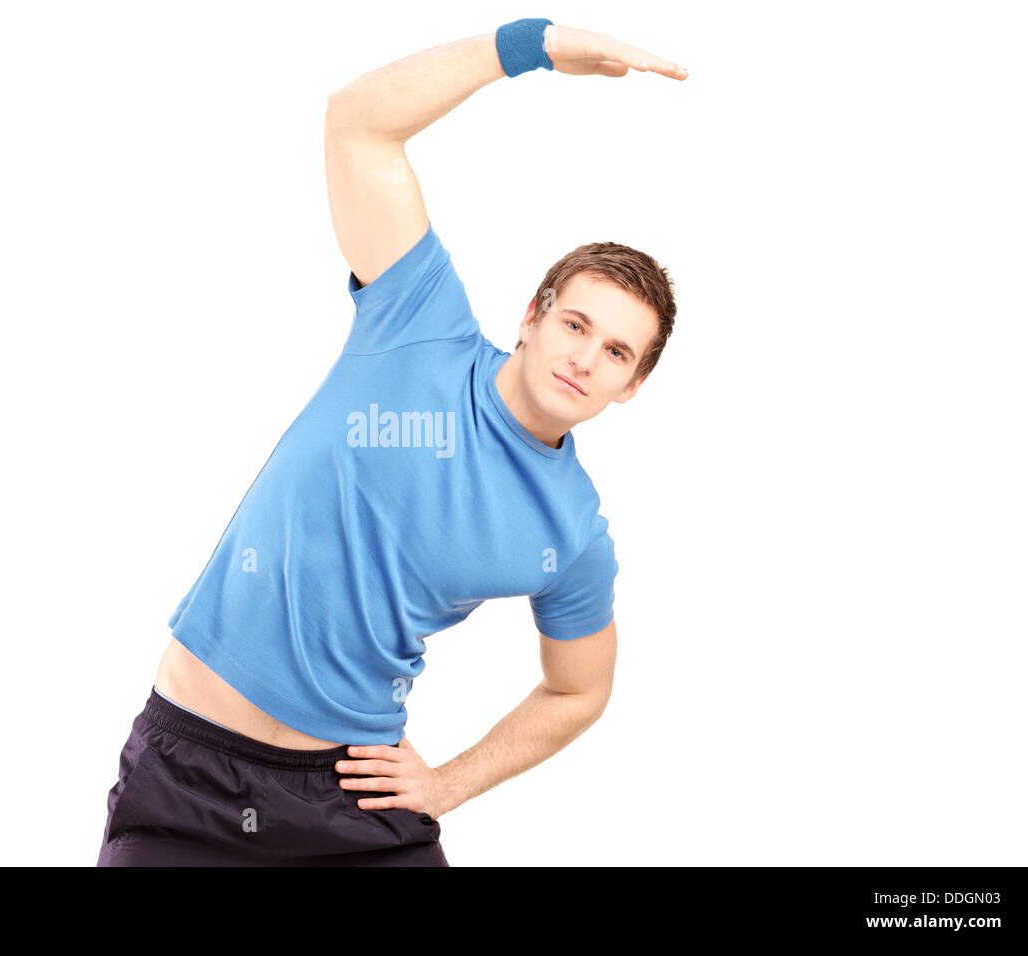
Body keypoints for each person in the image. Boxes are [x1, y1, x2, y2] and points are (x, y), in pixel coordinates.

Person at [96, 18, 686, 867]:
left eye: (617, 352)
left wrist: (446, 783)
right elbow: (358, 123)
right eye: (576, 323)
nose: (585, 358)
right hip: (189, 783)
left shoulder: (573, 534)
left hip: (351, 802)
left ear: (632, 386)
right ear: (532, 317)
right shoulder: (419, 323)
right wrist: (530, 45)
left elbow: (579, 689)